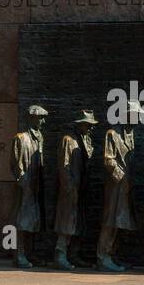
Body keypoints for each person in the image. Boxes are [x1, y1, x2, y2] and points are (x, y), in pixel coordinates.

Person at [97, 101, 142, 272]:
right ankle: (102, 257)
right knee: (110, 221)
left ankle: (112, 254)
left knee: (120, 222)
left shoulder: (130, 134)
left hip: (126, 186)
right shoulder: (112, 134)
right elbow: (108, 159)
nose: (138, 118)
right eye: (136, 114)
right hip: (115, 186)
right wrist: (120, 176)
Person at [53, 111, 97, 270]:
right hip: (70, 189)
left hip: (82, 187)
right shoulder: (68, 140)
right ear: (79, 124)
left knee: (78, 222)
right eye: (88, 125)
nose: (91, 128)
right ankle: (60, 254)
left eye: (92, 125)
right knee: (67, 222)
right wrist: (69, 187)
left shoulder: (85, 140)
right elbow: (64, 166)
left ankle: (73, 254)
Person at [10, 104, 48, 268]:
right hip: (25, 184)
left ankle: (30, 253)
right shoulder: (21, 138)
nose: (43, 121)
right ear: (32, 118)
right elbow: (14, 162)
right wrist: (22, 180)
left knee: (34, 220)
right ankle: (19, 254)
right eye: (41, 118)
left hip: (36, 183)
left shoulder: (40, 137)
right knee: (22, 220)